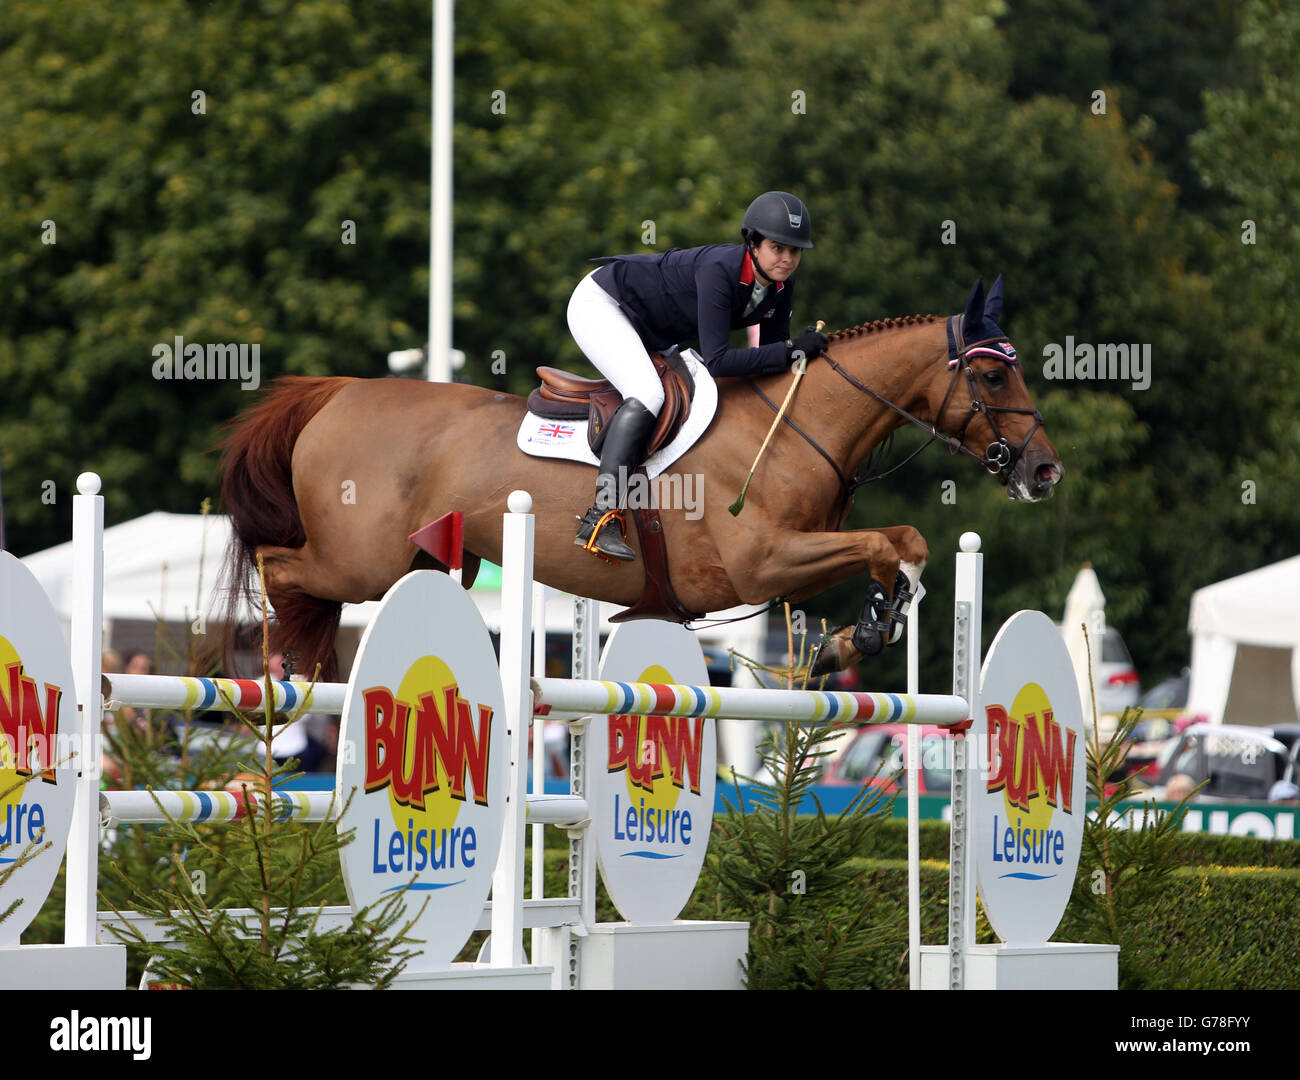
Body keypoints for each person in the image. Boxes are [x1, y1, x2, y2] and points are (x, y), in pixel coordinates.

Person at [567, 190, 829, 562]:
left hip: (649, 328)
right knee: (648, 393)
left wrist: (798, 358)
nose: (787, 259)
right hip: (602, 304)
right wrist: (791, 351)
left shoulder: (781, 287)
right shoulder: (719, 270)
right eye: (778, 248)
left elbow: (771, 364)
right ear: (752, 243)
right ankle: (600, 517)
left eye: (795, 251)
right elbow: (718, 362)